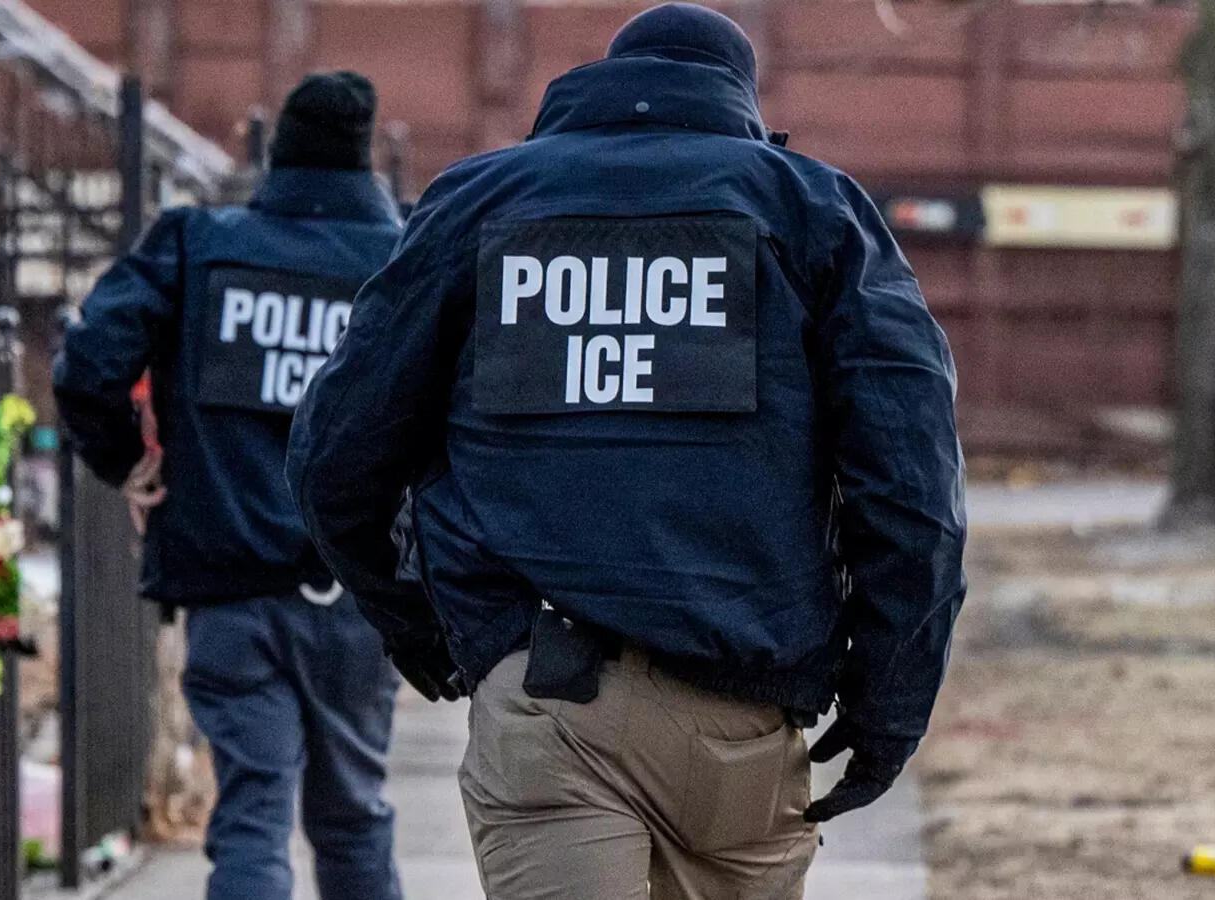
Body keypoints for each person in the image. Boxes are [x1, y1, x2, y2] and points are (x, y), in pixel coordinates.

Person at [289, 4, 967, 897]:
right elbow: (912, 488)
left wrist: (423, 627)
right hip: (743, 715)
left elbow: (335, 453)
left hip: (546, 696)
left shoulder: (479, 202)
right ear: (740, 104)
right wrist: (888, 709)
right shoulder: (815, 212)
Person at [53, 72, 405, 900]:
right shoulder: (402, 262)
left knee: (249, 816)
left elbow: (89, 364)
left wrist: (126, 462)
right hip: (360, 598)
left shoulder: (197, 243)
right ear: (364, 162)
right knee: (355, 817)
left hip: (232, 592)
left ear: (277, 155)